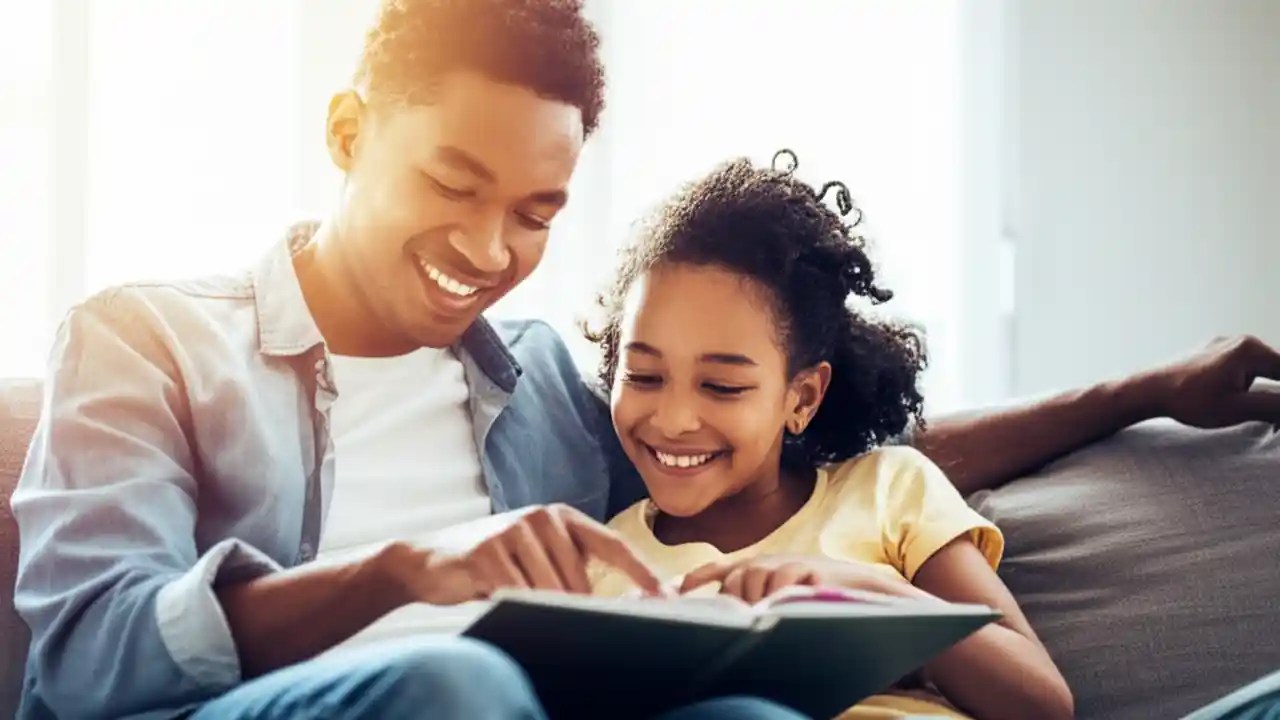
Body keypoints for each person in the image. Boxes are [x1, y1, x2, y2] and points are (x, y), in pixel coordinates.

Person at [10, 0, 1279, 718]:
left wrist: (1145, 390)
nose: (486, 248)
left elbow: (809, 462)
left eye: (535, 213)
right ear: (347, 134)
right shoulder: (146, 342)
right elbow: (84, 663)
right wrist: (404, 575)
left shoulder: (544, 382)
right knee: (454, 681)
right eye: (451, 182)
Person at [587, 152, 1072, 720]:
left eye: (720, 386)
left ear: (802, 397)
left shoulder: (888, 490)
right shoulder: (604, 564)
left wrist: (869, 601)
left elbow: (1044, 705)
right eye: (643, 376)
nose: (672, 419)